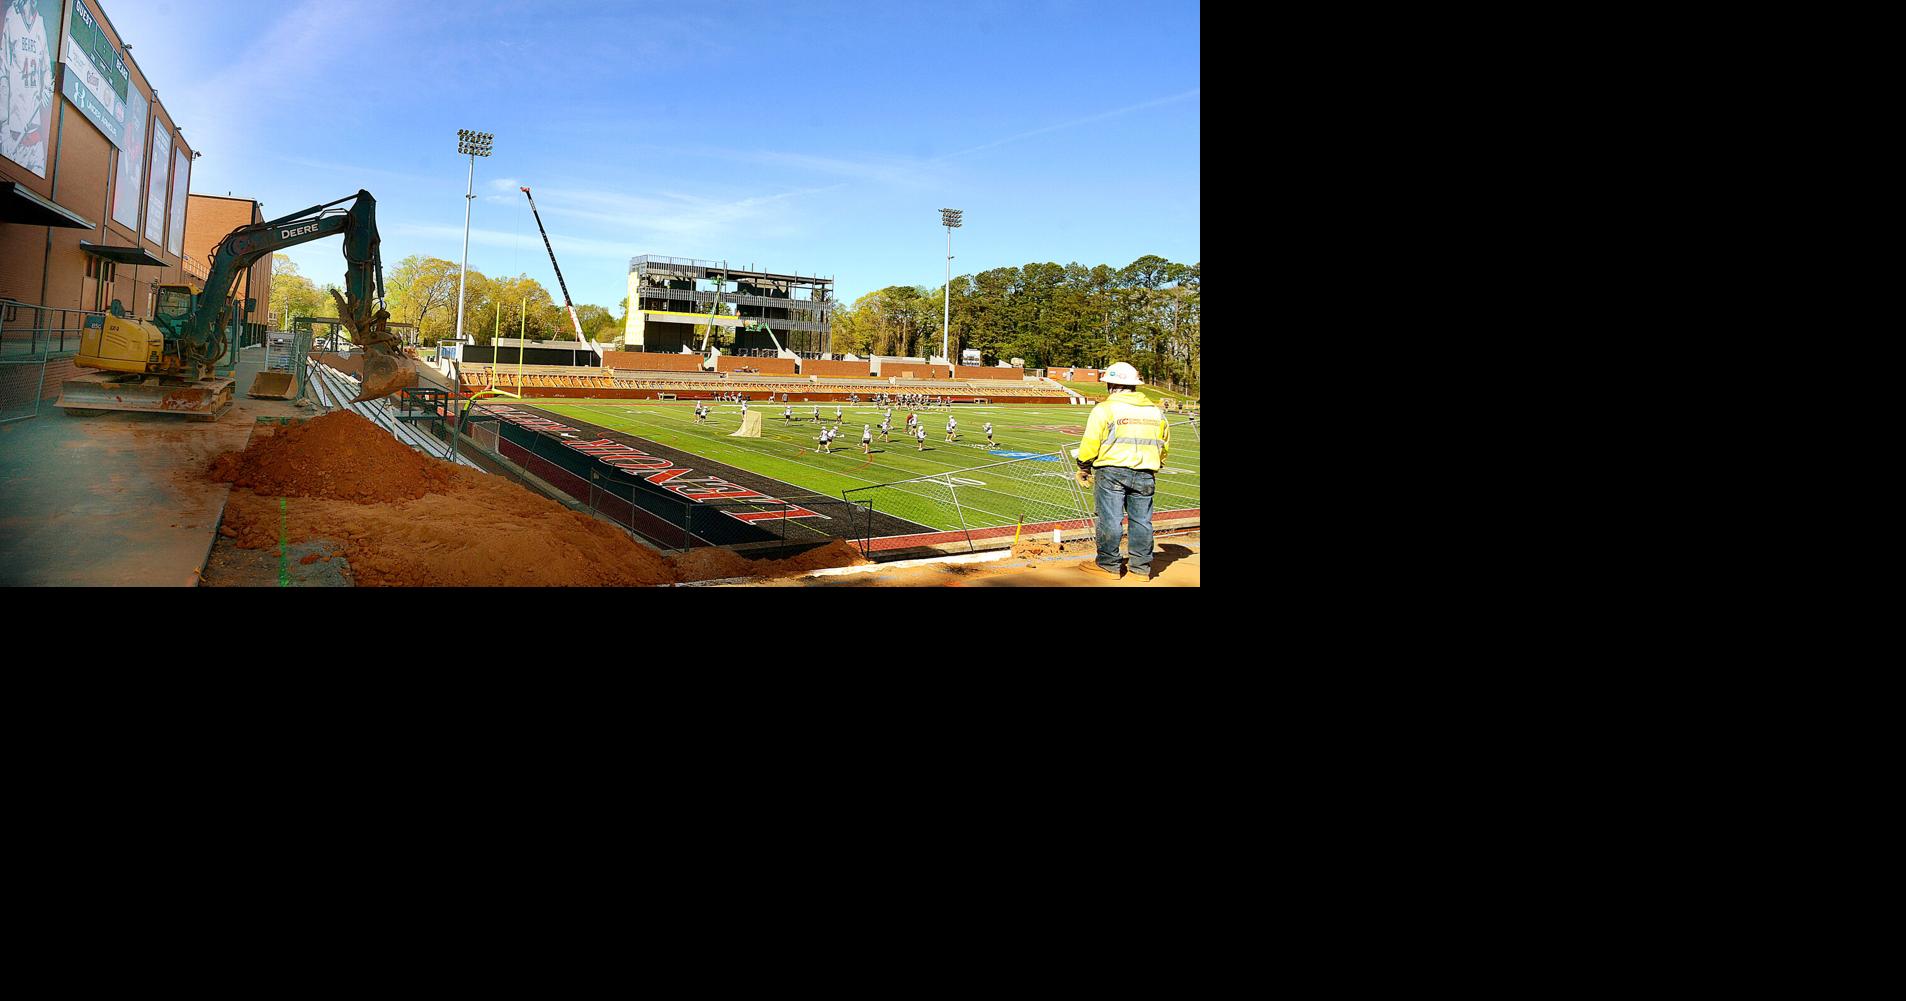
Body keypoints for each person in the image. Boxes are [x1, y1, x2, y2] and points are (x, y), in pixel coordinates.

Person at [1073, 362, 1169, 581]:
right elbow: (1164, 445)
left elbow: (1090, 443)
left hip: (1112, 471)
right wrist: (1154, 463)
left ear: (1111, 385)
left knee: (1110, 519)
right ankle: (1141, 569)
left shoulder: (1105, 409)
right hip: (1146, 472)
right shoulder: (1155, 412)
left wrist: (1083, 466)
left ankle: (1109, 565)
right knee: (1142, 522)